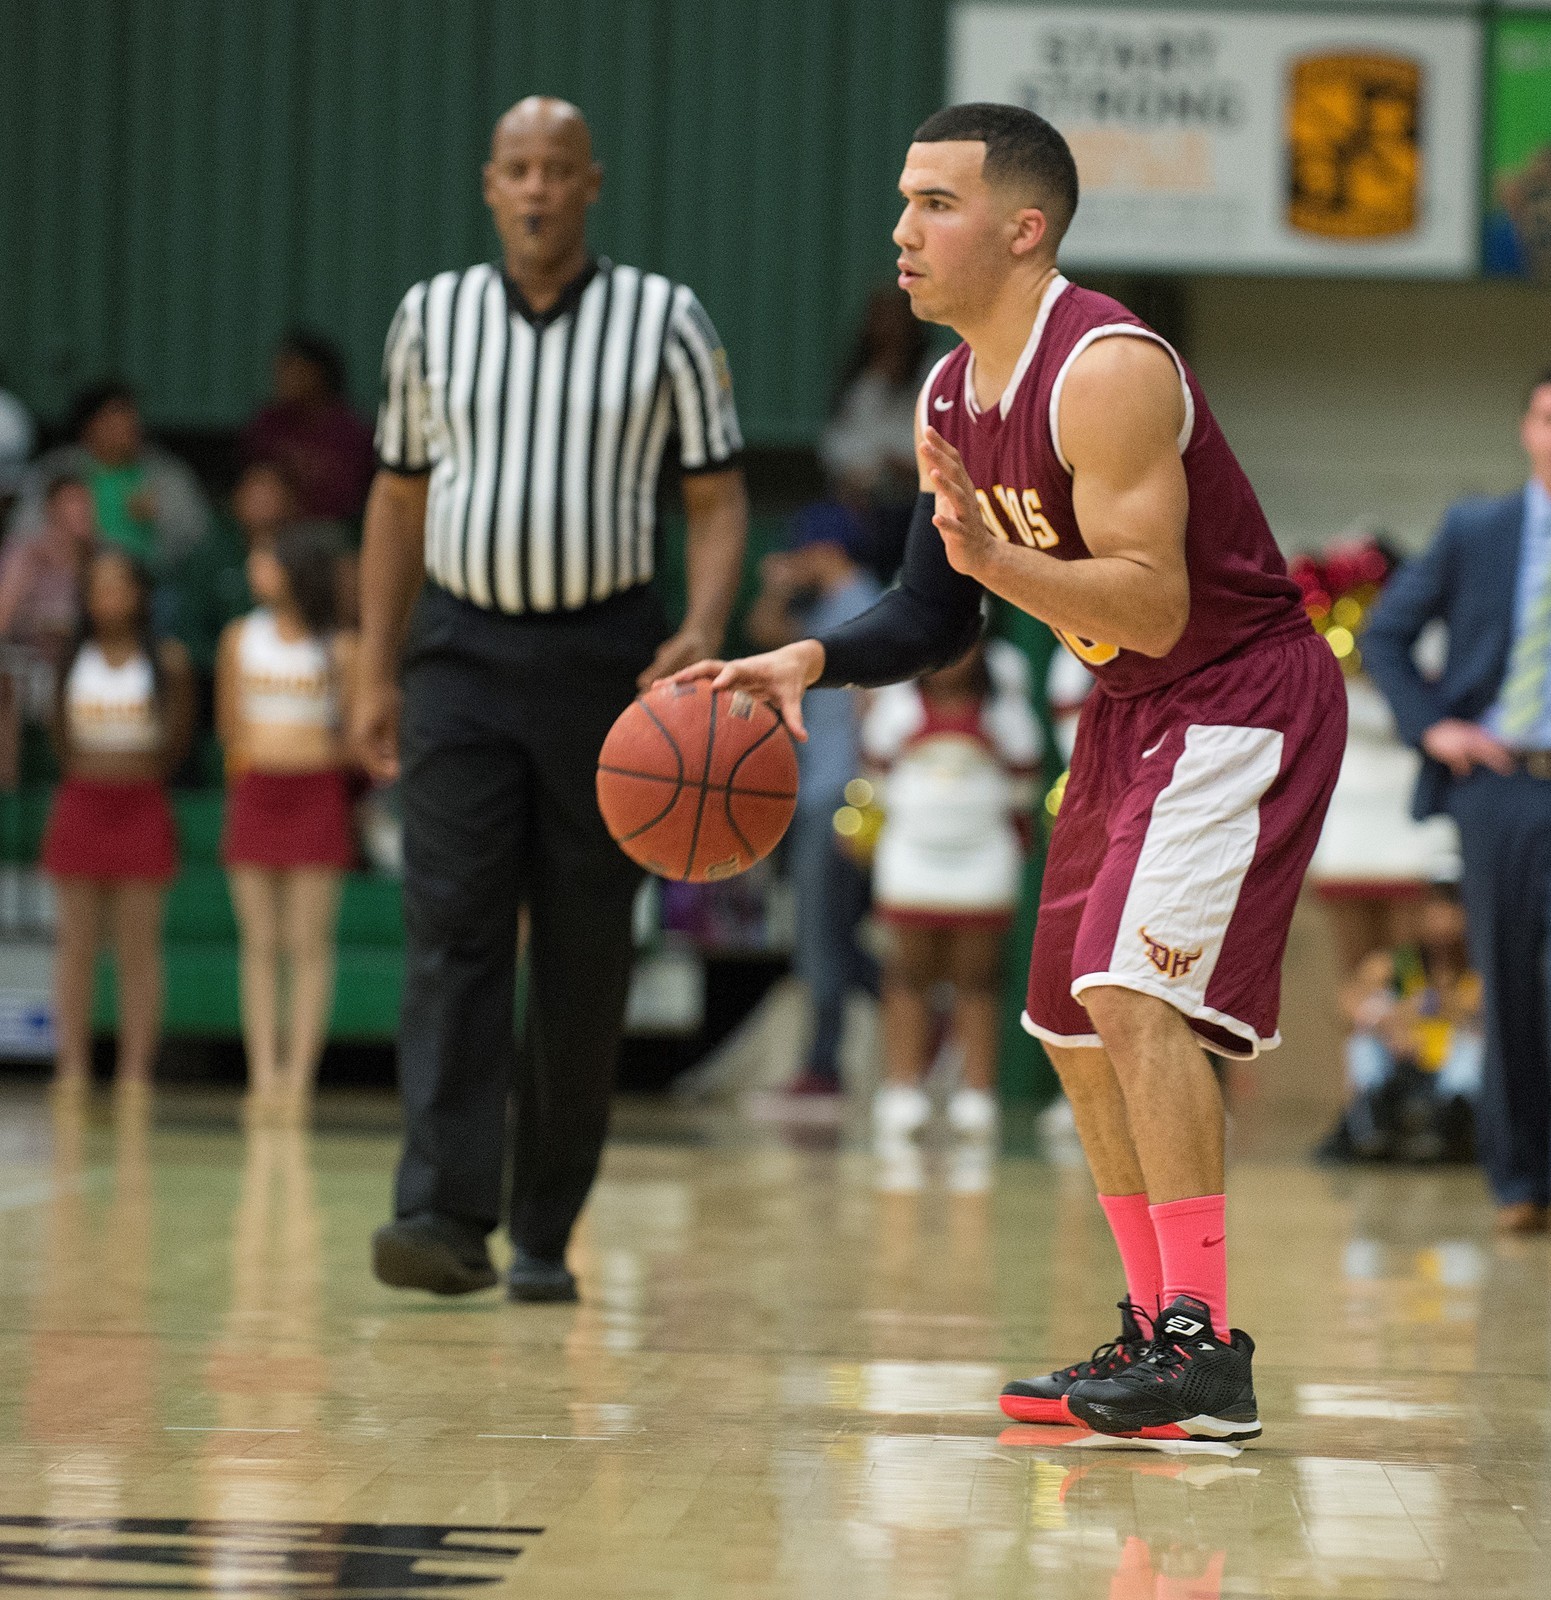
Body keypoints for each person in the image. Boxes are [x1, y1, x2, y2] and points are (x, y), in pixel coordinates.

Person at [670, 103, 1345, 1444]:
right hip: (1129, 709)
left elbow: (1152, 605)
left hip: (1233, 692)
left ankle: (1201, 1345)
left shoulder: (1104, 369)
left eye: (933, 204)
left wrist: (995, 562)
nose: (899, 232)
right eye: (903, 201)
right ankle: (1159, 1342)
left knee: (1126, 992)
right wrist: (811, 658)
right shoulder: (943, 392)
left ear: (1021, 229)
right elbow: (935, 612)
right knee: (1063, 1023)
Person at [355, 97, 746, 1302]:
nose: (536, 188)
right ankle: (439, 1214)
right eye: (516, 169)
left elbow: (719, 498)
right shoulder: (432, 316)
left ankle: (542, 1225)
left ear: (591, 183)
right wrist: (376, 665)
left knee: (583, 954)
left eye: (556, 170)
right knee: (456, 932)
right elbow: (398, 501)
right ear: (490, 186)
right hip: (461, 658)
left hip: (607, 665)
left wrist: (697, 628)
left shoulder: (668, 319)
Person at [1364, 369, 1551, 1235]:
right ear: (1525, 427)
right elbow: (1385, 633)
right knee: (1506, 979)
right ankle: (1519, 1182)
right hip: (1502, 783)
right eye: (1549, 418)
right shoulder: (1480, 529)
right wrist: (1433, 727)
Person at [863, 638, 1040, 1142]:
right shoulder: (896, 706)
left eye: (963, 648)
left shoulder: (1005, 708)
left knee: (978, 975)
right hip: (911, 857)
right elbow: (874, 780)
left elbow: (1024, 788)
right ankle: (902, 1089)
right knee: (907, 972)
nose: (953, 659)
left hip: (982, 858)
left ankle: (976, 1094)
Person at [41, 547, 195, 1100]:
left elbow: (177, 740)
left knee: (138, 950)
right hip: (82, 802)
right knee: (76, 948)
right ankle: (72, 1068)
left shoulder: (167, 662)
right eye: (98, 586)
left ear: (140, 594)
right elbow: (59, 735)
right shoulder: (68, 659)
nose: (108, 596)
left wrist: (135, 771)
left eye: (119, 585)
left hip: (142, 804)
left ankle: (134, 1072)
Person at [217, 522, 357, 1127]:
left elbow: (353, 738)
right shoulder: (238, 638)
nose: (256, 566)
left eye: (267, 557)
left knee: (309, 945)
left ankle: (299, 1075)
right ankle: (261, 1072)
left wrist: (308, 752)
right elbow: (229, 725)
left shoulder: (340, 647)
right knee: (259, 942)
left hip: (318, 795)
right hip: (256, 792)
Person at [744, 504, 882, 1103]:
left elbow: (873, 708)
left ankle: (824, 1064)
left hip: (845, 796)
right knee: (835, 933)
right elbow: (763, 636)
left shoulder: (861, 606)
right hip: (825, 790)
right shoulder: (828, 608)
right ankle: (926, 1024)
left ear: (828, 551)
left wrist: (867, 800)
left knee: (823, 932)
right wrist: (776, 591)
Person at [1317, 882, 1482, 1165]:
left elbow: (1475, 1010)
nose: (1441, 920)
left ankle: (1451, 1121)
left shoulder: (1475, 965)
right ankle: (1369, 1120)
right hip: (1401, 1059)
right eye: (1434, 909)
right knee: (1362, 1042)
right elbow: (1348, 1001)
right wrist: (1387, 1021)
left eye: (1451, 909)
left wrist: (1429, 1012)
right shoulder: (1398, 963)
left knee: (1473, 1045)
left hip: (1447, 1067)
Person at [13, 383, 209, 571]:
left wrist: (162, 512)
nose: (127, 427)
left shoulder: (165, 473)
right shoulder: (57, 469)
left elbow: (199, 534)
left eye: (131, 418)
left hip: (152, 583)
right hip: (70, 579)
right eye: (114, 419)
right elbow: (23, 531)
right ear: (89, 426)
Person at [241, 331, 376, 522]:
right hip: (276, 529)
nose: (283, 377)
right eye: (280, 369)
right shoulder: (269, 422)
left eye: (293, 369)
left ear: (318, 373)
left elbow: (354, 498)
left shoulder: (351, 430)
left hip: (331, 532)